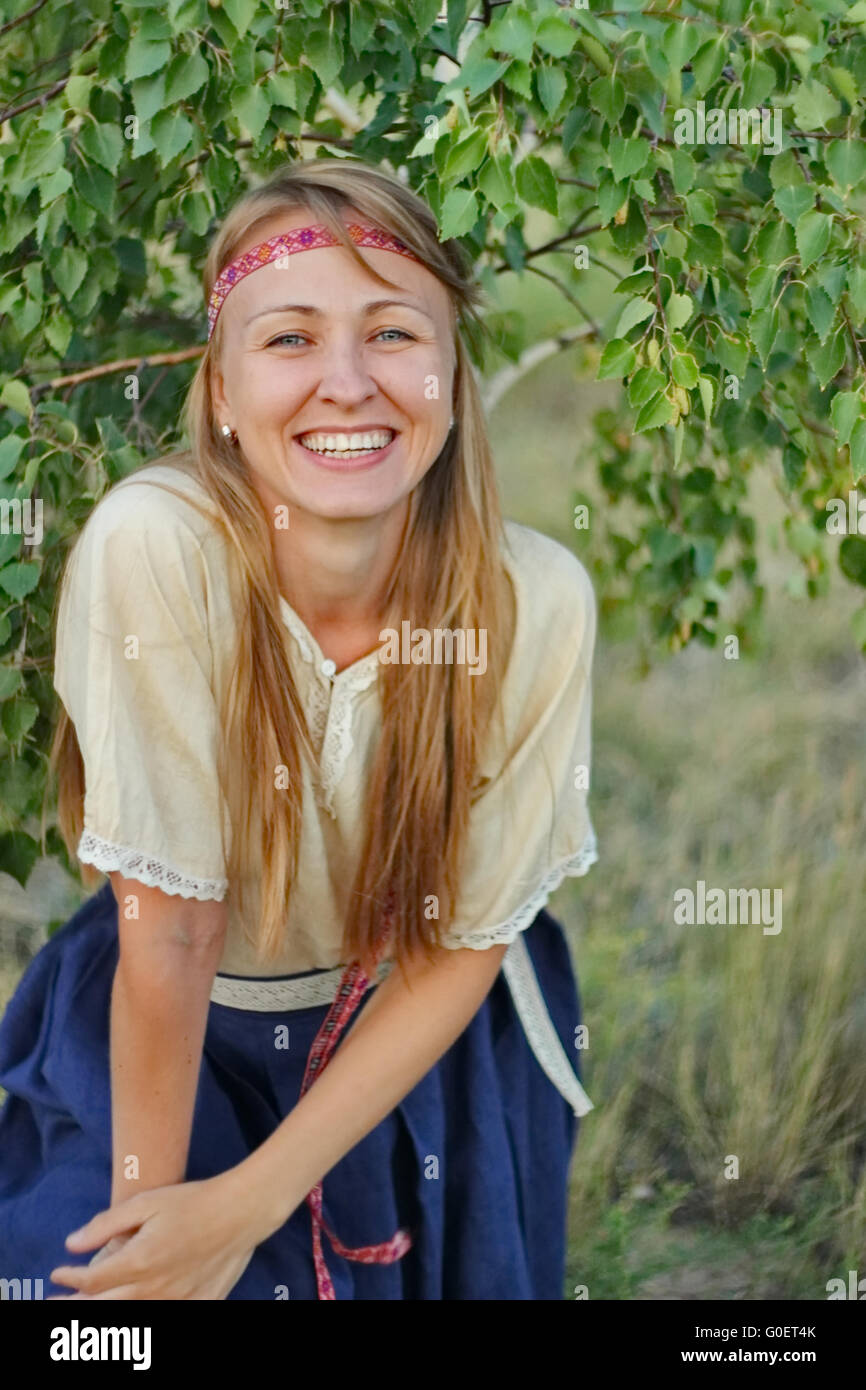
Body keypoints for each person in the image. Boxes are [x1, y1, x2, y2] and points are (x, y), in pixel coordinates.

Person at [0, 158, 598, 1301]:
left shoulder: (534, 603)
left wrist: (252, 1200)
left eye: (391, 333)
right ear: (219, 389)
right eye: (287, 340)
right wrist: (154, 1237)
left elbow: (456, 944)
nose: (347, 383)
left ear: (451, 376)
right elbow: (170, 937)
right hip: (176, 1012)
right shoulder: (158, 549)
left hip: (416, 1029)